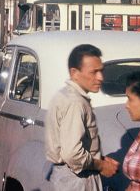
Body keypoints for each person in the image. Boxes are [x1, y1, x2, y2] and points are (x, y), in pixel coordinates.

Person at [45, 44, 119, 190]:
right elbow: (72, 154)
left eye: (101, 71)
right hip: (77, 178)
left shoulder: (67, 96)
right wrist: (101, 165)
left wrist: (99, 158)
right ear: (74, 73)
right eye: (94, 72)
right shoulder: (75, 102)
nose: (100, 77)